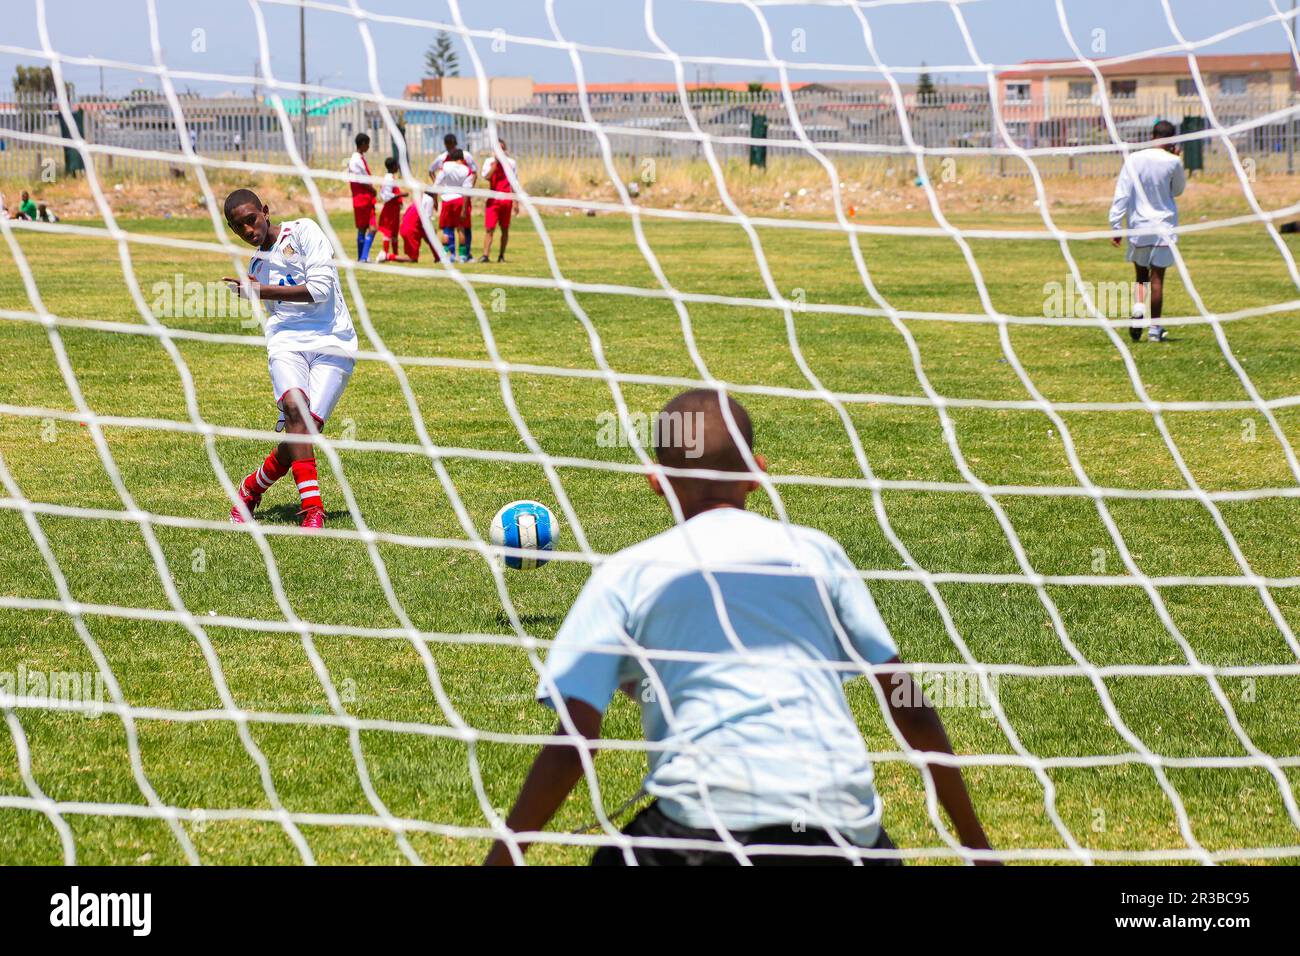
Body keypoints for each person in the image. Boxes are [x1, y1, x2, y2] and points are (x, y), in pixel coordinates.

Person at [484, 390, 996, 866]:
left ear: (655, 481)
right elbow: (907, 701)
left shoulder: (628, 574)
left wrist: (502, 858)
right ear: (757, 474)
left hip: (705, 832)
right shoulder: (816, 554)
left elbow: (575, 740)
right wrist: (976, 845)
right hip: (844, 833)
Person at [221, 188, 358, 531]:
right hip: (286, 344)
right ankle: (313, 509)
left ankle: (251, 487)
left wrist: (261, 290)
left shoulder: (304, 231)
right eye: (240, 228)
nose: (249, 231)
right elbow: (278, 314)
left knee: (305, 431)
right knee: (295, 409)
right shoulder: (256, 265)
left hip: (333, 340)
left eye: (251, 220)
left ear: (265, 211)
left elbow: (320, 290)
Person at [1110, 119, 1185, 343]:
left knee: (1141, 276)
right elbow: (1178, 191)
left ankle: (1138, 308)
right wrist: (1177, 159)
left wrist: (1115, 226)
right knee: (1158, 278)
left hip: (1138, 226)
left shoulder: (1133, 159)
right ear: (1172, 141)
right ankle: (1154, 330)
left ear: (1152, 136)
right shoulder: (1173, 162)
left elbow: (1122, 193)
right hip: (1164, 226)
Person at [429, 133, 476, 261]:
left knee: (446, 229)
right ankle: (462, 256)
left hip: (446, 200)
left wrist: (435, 200)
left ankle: (447, 255)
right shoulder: (466, 170)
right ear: (461, 158)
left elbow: (436, 184)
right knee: (461, 228)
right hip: (460, 199)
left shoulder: (445, 166)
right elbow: (466, 191)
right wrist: (464, 208)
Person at [479, 138, 518, 263]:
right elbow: (487, 177)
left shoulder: (511, 163)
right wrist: (496, 163)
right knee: (489, 229)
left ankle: (501, 256)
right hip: (493, 200)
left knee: (505, 229)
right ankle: (485, 255)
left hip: (506, 200)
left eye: (502, 148)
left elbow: (514, 183)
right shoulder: (489, 162)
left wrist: (516, 202)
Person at [345, 132, 378, 262]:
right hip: (362, 198)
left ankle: (362, 257)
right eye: (368, 144)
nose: (369, 147)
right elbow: (361, 180)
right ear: (363, 144)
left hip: (365, 198)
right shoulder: (355, 160)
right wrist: (372, 189)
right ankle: (363, 257)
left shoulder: (359, 159)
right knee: (369, 228)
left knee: (365, 228)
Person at [391, 187, 441, 263]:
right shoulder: (429, 200)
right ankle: (387, 256)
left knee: (430, 238)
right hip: (411, 230)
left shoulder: (419, 200)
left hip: (406, 228)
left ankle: (439, 258)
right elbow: (426, 221)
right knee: (412, 259)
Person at [376, 156, 405, 263]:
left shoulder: (391, 177)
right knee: (388, 231)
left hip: (394, 208)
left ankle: (395, 255)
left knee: (394, 232)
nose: (398, 167)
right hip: (390, 208)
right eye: (397, 165)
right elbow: (386, 195)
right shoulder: (388, 179)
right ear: (393, 166)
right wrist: (400, 195)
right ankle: (386, 254)